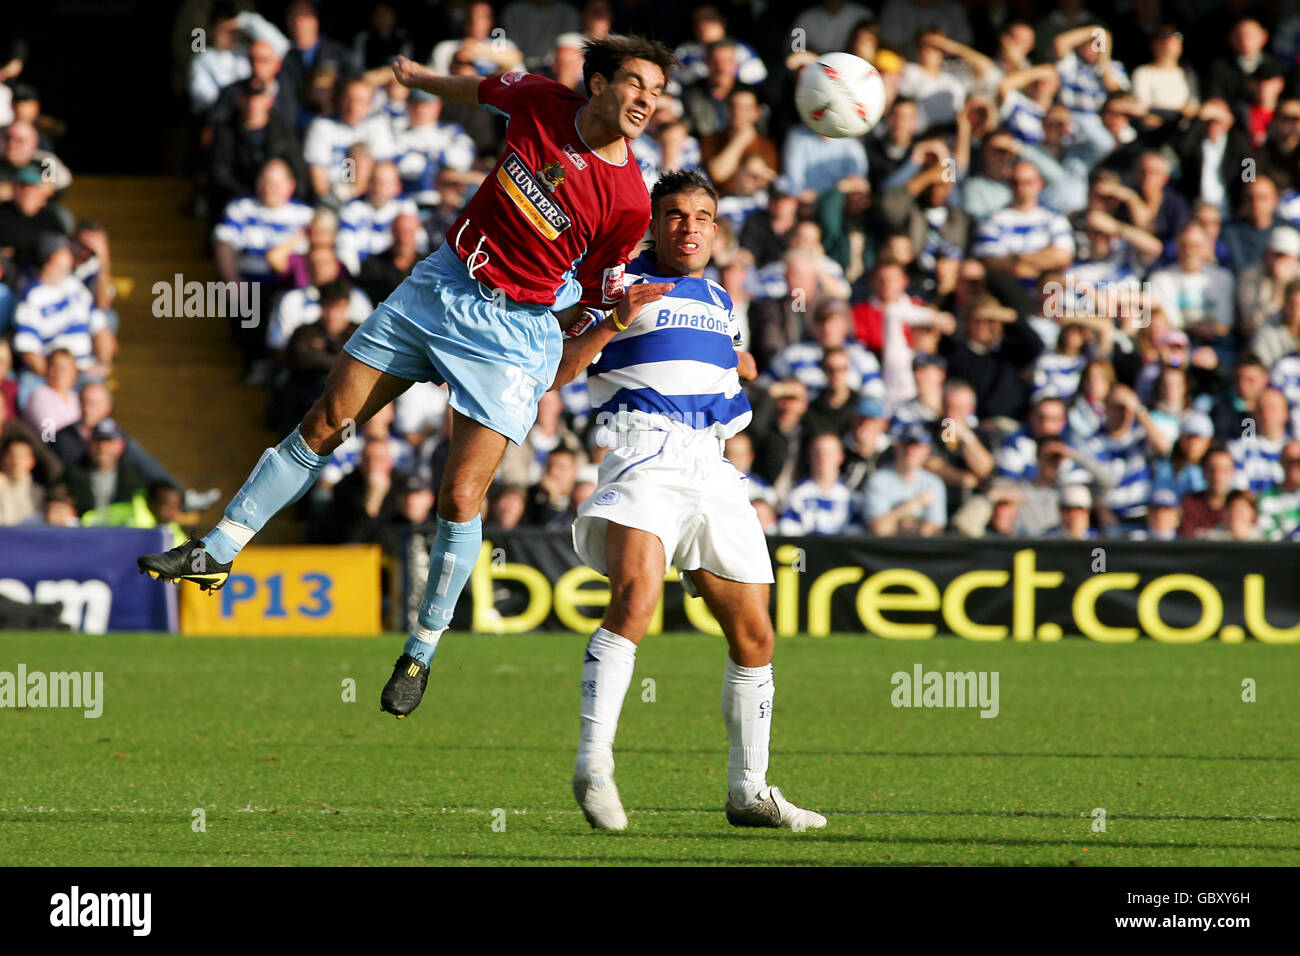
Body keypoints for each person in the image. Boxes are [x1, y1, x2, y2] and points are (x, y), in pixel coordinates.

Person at [138, 36, 680, 723]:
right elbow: (482, 88)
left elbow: (597, 295)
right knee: (326, 421)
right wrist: (419, 75)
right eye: (635, 83)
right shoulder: (542, 99)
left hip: (512, 331)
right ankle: (217, 551)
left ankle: (421, 649)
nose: (645, 101)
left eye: (656, 92)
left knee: (458, 497)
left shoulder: (630, 199)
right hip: (439, 285)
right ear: (597, 83)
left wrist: (563, 342)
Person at [552, 169, 825, 832]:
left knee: (756, 635)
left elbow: (726, 371)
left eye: (703, 216)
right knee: (635, 601)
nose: (690, 226)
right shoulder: (616, 282)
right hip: (644, 451)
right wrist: (613, 318)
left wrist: (743, 365)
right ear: (653, 222)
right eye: (676, 214)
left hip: (711, 463)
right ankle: (594, 766)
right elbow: (556, 367)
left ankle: (749, 791)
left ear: (716, 227)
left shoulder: (722, 299)